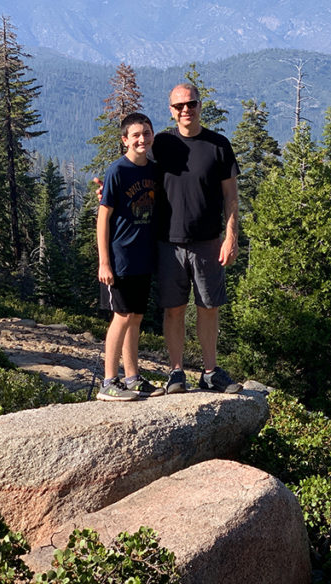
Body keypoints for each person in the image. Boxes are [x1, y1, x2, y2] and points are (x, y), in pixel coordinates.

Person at [153, 83, 242, 394]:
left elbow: (231, 196)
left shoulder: (218, 145)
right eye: (179, 106)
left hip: (209, 242)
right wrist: (108, 192)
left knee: (209, 307)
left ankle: (210, 371)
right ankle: (176, 372)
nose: (185, 110)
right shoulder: (160, 144)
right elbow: (136, 174)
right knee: (173, 309)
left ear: (200, 105)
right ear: (171, 111)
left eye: (191, 103)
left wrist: (231, 237)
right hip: (168, 241)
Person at [96, 112, 164, 401]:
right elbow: (103, 218)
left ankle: (132, 377)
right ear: (125, 140)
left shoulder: (154, 171)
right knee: (121, 317)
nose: (142, 139)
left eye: (146, 133)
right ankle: (109, 381)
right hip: (120, 258)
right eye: (135, 135)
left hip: (143, 257)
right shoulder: (118, 171)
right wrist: (104, 262)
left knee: (135, 317)